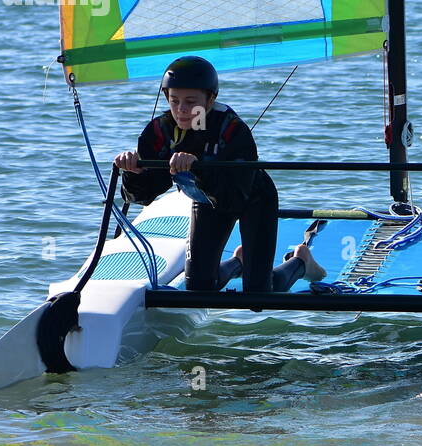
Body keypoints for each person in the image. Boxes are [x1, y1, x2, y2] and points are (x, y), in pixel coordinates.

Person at [113, 55, 316, 292]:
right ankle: (238, 262)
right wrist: (133, 171)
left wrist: (198, 168)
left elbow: (232, 198)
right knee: (198, 288)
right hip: (206, 200)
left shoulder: (231, 129)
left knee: (258, 294)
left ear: (210, 99)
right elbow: (142, 196)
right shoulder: (159, 131)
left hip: (253, 199)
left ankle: (301, 261)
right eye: (174, 100)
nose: (182, 110)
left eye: (191, 102)